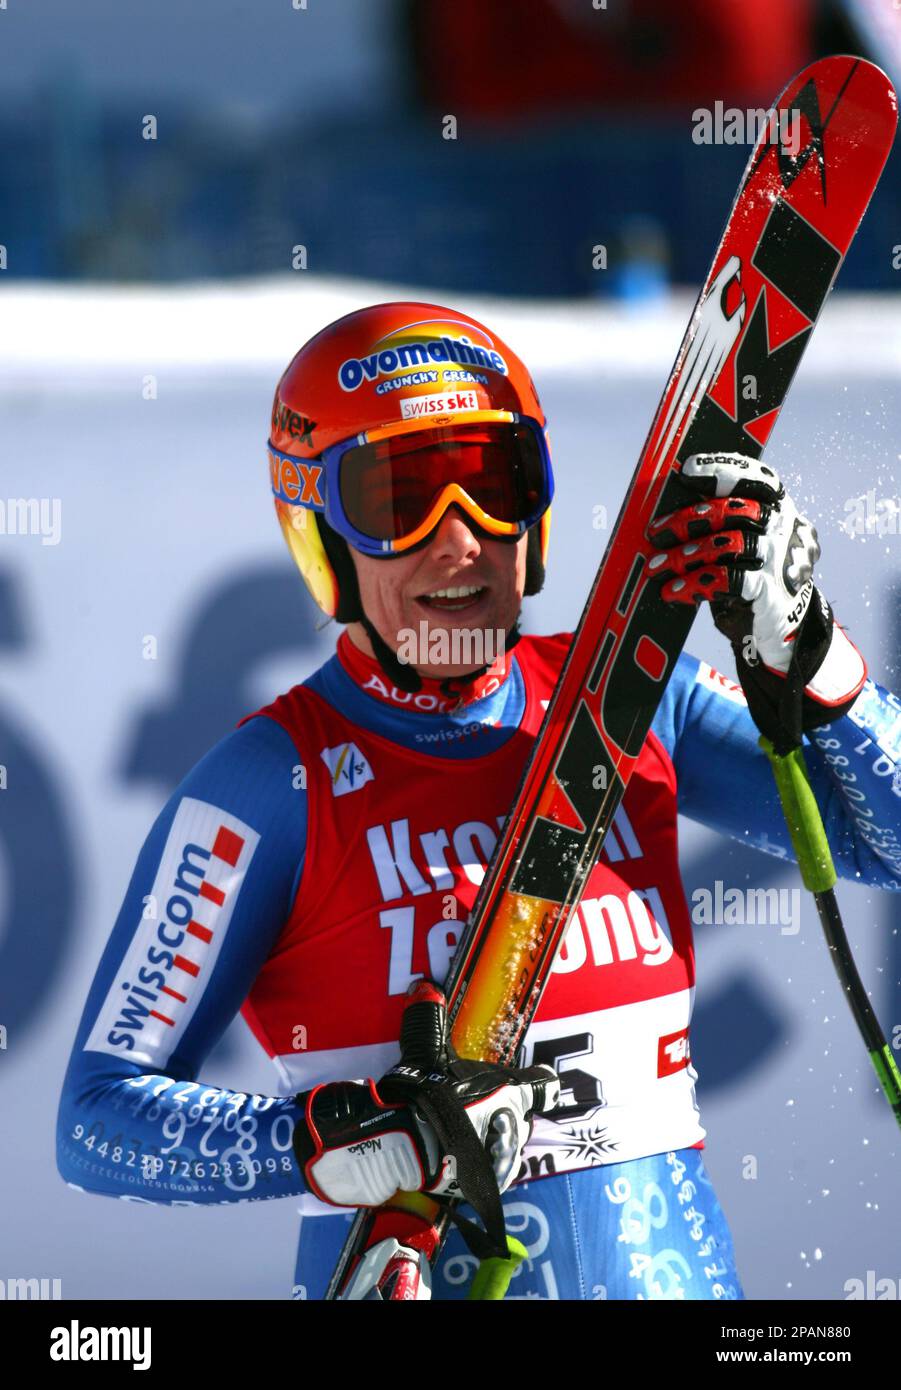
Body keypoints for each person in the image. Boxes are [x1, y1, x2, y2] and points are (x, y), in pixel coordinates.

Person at [57, 301, 901, 1301]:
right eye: (399, 495)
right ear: (317, 530)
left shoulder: (632, 697)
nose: (458, 539)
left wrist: (814, 657)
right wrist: (328, 1137)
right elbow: (95, 1122)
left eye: (494, 485)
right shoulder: (266, 787)